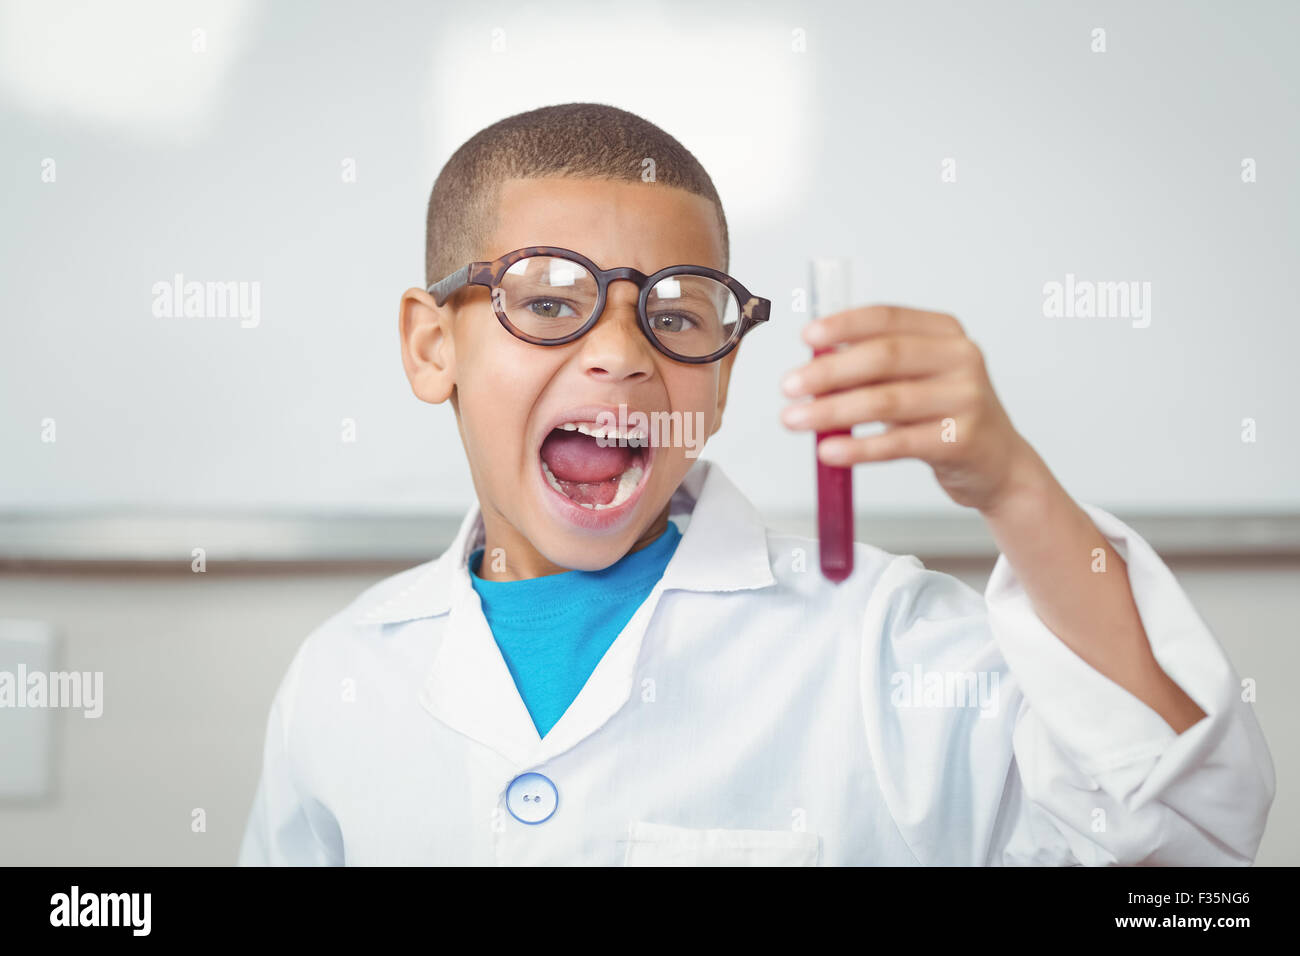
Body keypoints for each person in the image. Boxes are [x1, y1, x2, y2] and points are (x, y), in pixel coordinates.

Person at [238, 102, 1274, 865]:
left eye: (680, 313)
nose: (621, 354)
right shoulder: (343, 679)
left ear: (725, 372)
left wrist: (1010, 481)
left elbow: (1182, 842)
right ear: (432, 346)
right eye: (550, 303)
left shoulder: (887, 644)